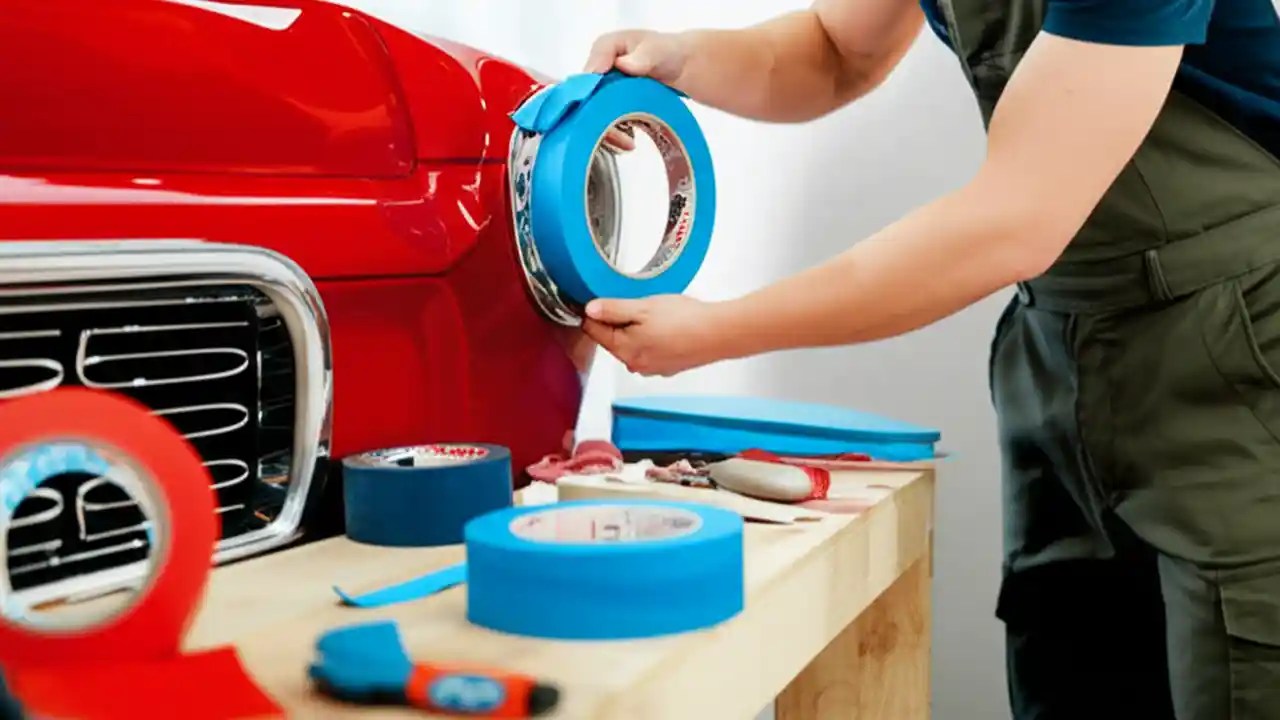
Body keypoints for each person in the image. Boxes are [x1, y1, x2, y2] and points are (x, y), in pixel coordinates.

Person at [579, 1, 1280, 718]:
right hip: (1059, 348)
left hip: (1237, 356)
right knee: (1070, 668)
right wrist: (683, 60)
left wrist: (718, 330)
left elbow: (1017, 219)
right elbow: (836, 50)